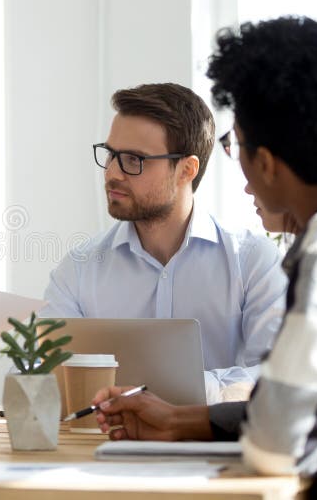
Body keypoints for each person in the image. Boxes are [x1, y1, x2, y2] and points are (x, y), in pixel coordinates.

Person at [93, 16, 317, 497]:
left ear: (268, 162)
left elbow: (278, 439)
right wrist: (179, 421)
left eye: (235, 147)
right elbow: (301, 406)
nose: (241, 174)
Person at [39, 83, 287, 403]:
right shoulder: (80, 267)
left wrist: (179, 389)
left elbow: (275, 374)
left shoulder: (252, 260)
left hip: (214, 447)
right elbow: (45, 368)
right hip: (101, 446)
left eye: (134, 159)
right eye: (111, 154)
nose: (113, 172)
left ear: (186, 169)